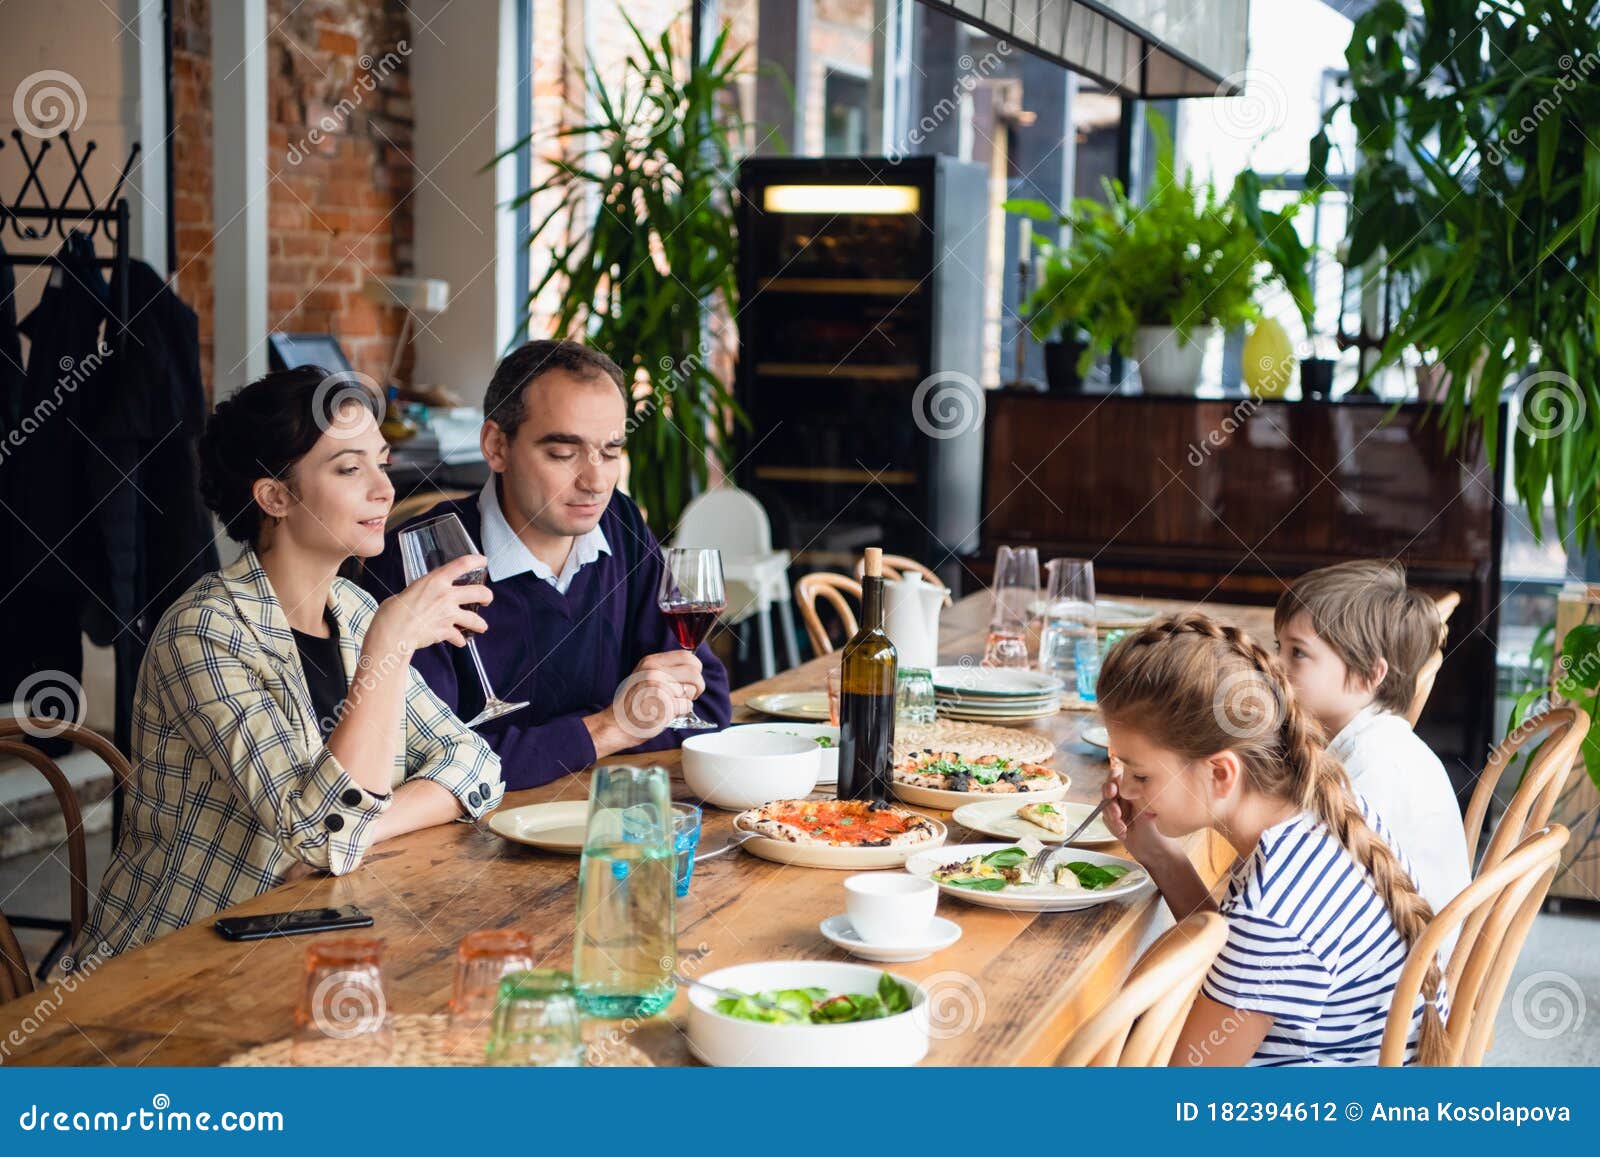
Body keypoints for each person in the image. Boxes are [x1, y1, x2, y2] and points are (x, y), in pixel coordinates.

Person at [76, 368, 504, 959]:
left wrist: (360, 832)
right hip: (176, 963)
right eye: (351, 469)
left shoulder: (353, 608)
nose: (385, 489)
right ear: (274, 496)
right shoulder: (205, 633)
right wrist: (390, 648)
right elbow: (318, 836)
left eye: (382, 462)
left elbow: (475, 765)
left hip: (314, 934)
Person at [362, 340, 731, 789]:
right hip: (470, 849)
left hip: (601, 821)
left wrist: (541, 745)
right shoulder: (418, 557)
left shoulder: (620, 522)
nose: (596, 481)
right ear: (496, 446)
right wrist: (610, 726)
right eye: (563, 453)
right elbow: (431, 767)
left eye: (611, 451)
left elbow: (705, 707)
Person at [1096, 613, 1448, 1066]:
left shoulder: (1273, 913)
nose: (1124, 788)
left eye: (1140, 774)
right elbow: (1233, 957)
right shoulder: (1320, 807)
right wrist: (1159, 856)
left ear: (1221, 772)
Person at [1274, 560, 1469, 917]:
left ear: (1369, 674)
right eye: (1279, 648)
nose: (1276, 666)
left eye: (1297, 653)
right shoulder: (1370, 740)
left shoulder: (1375, 769)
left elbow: (1303, 897)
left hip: (1406, 966)